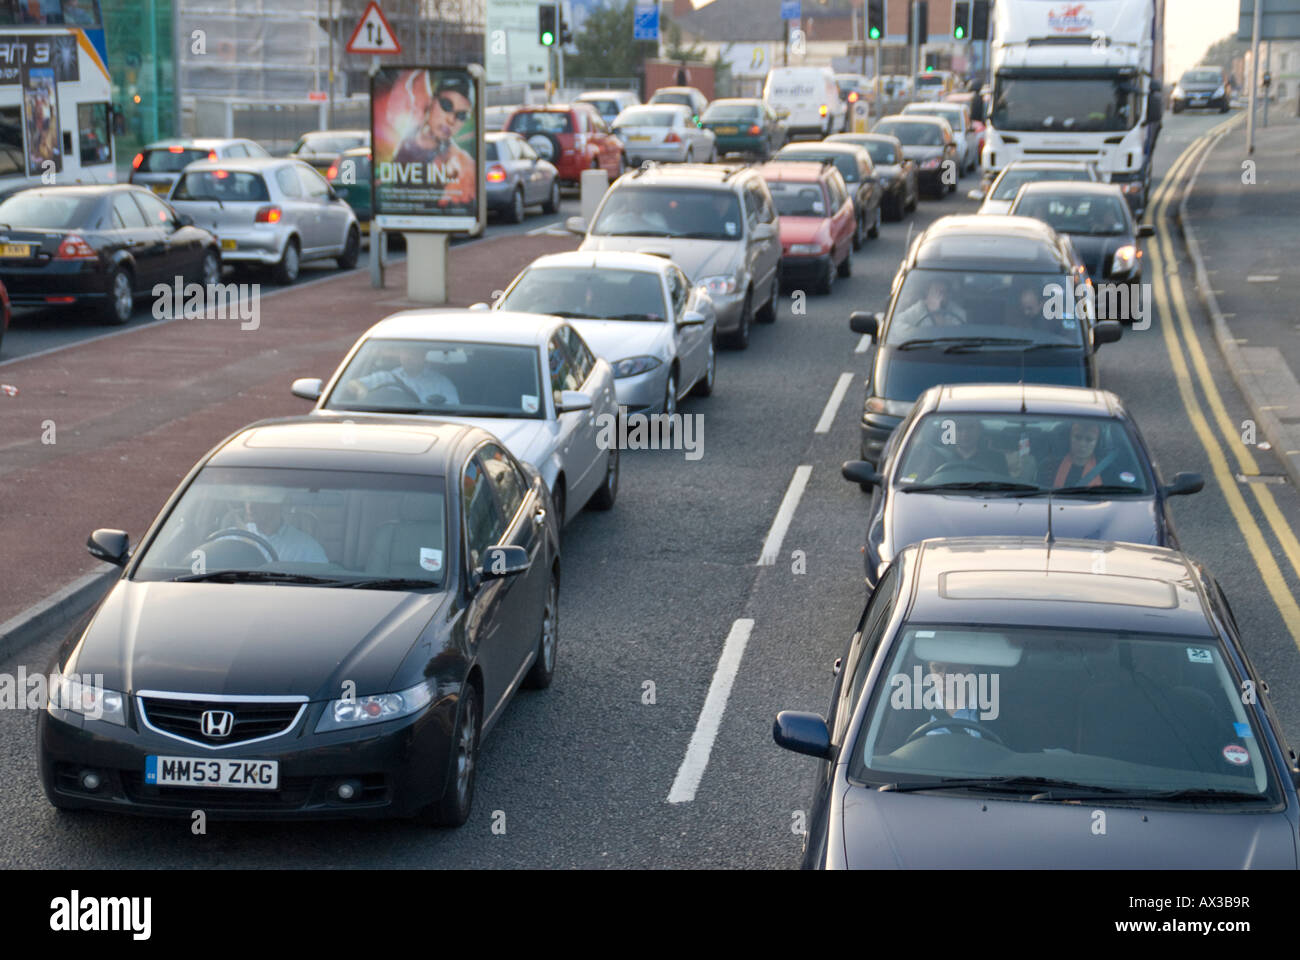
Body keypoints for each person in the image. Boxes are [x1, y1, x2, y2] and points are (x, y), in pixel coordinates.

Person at [392, 71, 475, 209]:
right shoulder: (403, 138)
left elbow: (461, 160)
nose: (451, 120)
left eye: (461, 115)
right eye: (446, 105)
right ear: (431, 101)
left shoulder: (456, 160)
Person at [343, 344, 460, 405]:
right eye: (405, 352)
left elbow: (454, 410)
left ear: (423, 356)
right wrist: (361, 390)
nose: (408, 357)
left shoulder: (441, 383)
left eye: (414, 353)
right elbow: (352, 384)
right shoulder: (385, 377)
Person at [240, 493, 328, 563]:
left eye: (258, 500)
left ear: (277, 504)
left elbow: (324, 580)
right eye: (247, 499)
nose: (250, 507)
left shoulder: (307, 547)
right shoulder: (233, 537)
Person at [912, 417, 1006, 481]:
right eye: (959, 429)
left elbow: (1006, 488)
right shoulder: (936, 457)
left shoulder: (996, 459)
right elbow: (922, 483)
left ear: (979, 430)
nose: (965, 434)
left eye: (970, 428)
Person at [1044, 420, 1106, 488]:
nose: (1082, 444)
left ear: (1097, 443)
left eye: (1089, 439)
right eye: (1077, 437)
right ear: (1069, 438)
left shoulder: (1107, 471)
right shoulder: (1049, 467)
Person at [893, 277, 968, 331]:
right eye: (936, 292)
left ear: (949, 295)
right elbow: (896, 324)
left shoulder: (958, 312)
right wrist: (917, 332)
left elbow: (952, 336)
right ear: (928, 293)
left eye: (943, 292)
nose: (940, 296)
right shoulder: (919, 308)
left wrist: (937, 314)